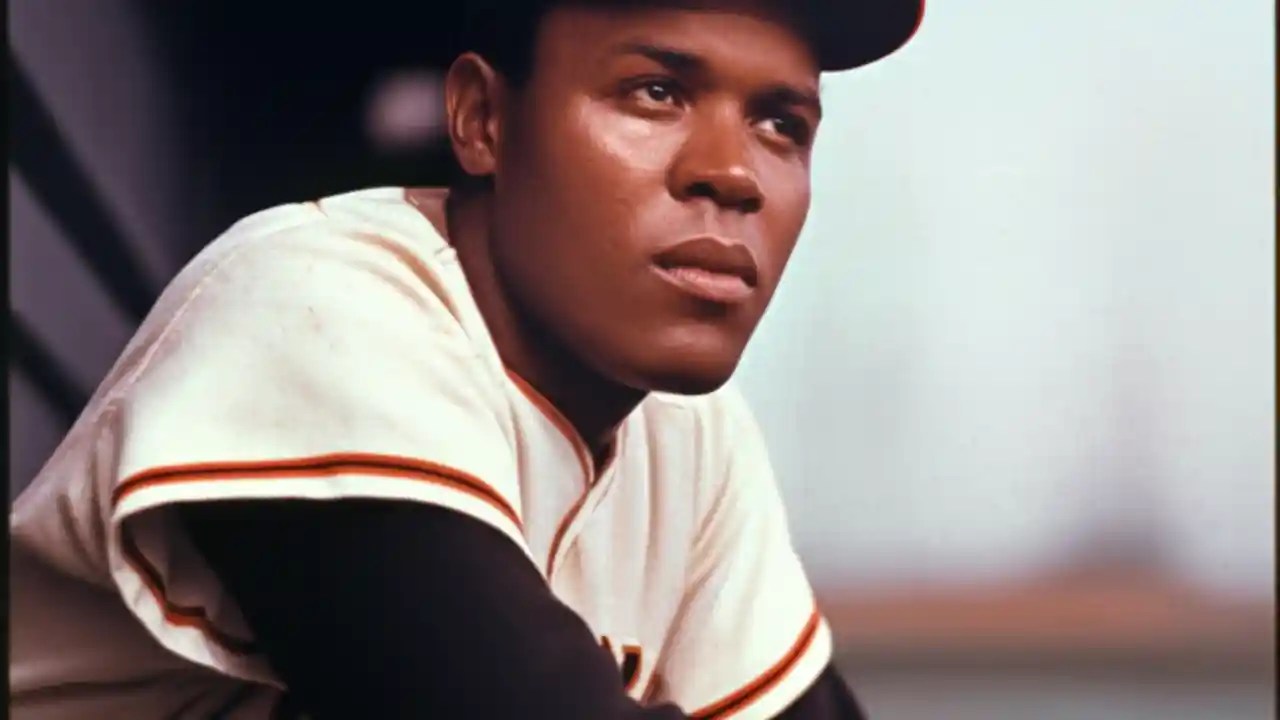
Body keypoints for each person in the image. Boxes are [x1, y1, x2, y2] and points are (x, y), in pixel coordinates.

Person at [9, 1, 923, 717]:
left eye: (781, 124)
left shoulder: (690, 435)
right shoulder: (318, 301)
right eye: (656, 92)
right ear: (483, 119)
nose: (732, 172)